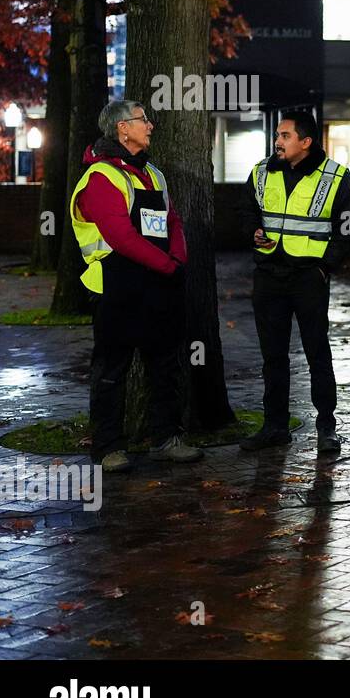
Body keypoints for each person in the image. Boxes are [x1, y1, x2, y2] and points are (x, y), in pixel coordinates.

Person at [70, 100, 200, 472]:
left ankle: (167, 438)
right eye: (143, 120)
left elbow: (172, 221)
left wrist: (178, 260)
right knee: (112, 370)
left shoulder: (153, 174)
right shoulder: (100, 178)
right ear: (122, 129)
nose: (150, 126)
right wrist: (168, 266)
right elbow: (121, 237)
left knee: (166, 365)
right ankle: (108, 447)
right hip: (118, 288)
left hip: (159, 283)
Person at [235, 109, 350, 455]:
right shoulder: (261, 172)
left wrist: (324, 268)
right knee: (272, 356)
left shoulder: (334, 176)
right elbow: (246, 211)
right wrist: (253, 230)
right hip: (269, 276)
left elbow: (348, 229)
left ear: (305, 142)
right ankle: (275, 426)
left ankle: (327, 428)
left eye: (285, 136)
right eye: (278, 135)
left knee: (317, 353)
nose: (278, 141)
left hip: (309, 278)